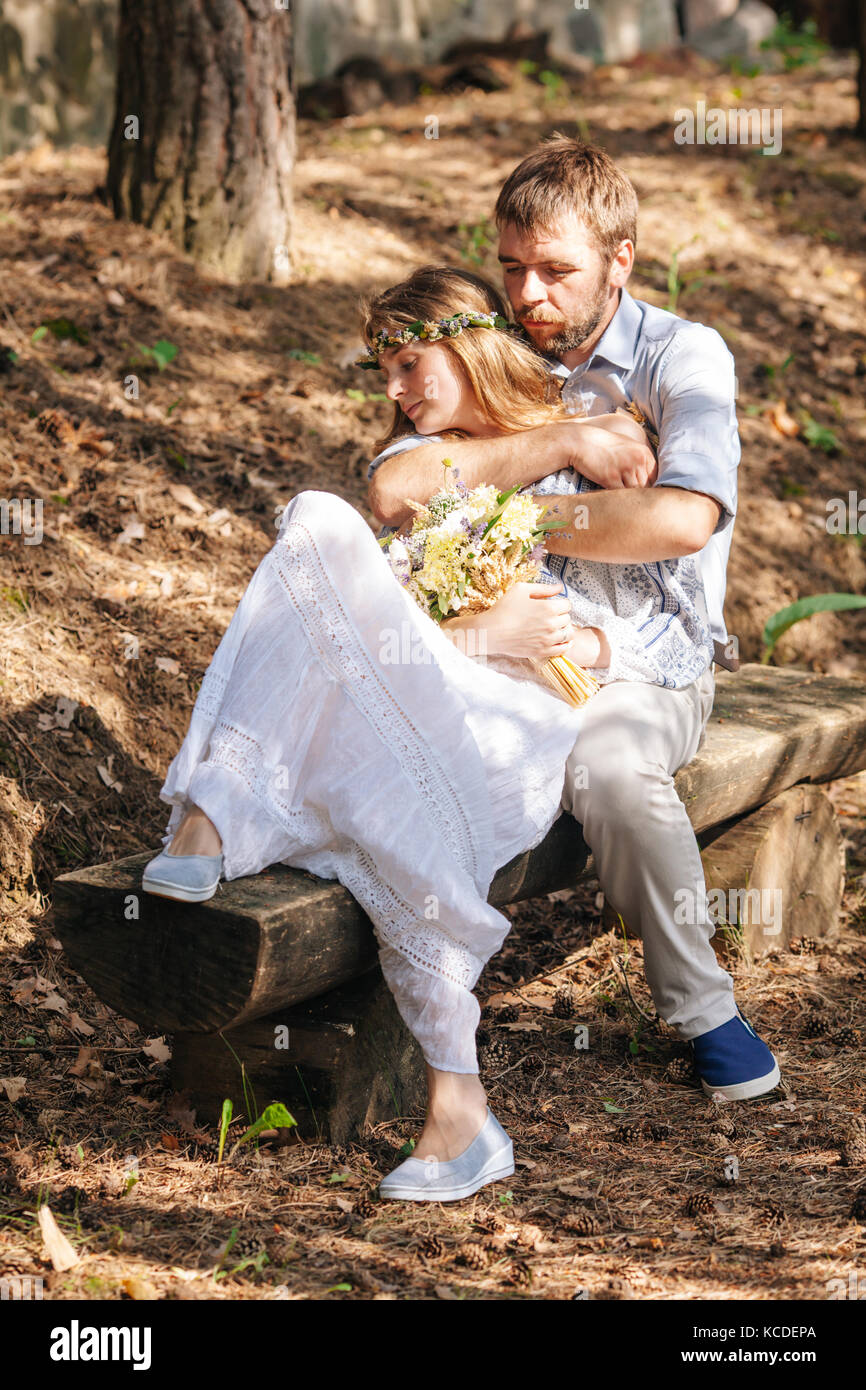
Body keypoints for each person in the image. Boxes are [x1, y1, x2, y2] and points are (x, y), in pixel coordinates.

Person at [139, 262, 723, 1203]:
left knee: (326, 547)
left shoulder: (599, 450)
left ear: (470, 348)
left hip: (519, 734)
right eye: (386, 372)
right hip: (414, 706)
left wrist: (583, 630)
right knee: (317, 521)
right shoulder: (420, 467)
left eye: (413, 364)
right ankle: (209, 812)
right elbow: (388, 543)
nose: (395, 390)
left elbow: (655, 601)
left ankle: (458, 1105)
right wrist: (481, 626)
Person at [367, 137, 780, 1108]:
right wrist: (562, 444)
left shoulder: (683, 359)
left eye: (555, 270)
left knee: (604, 761)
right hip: (493, 661)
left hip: (642, 668)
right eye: (511, 268)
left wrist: (514, 509)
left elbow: (679, 519)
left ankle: (703, 1012)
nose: (528, 293)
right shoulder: (505, 349)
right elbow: (397, 484)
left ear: (618, 260)